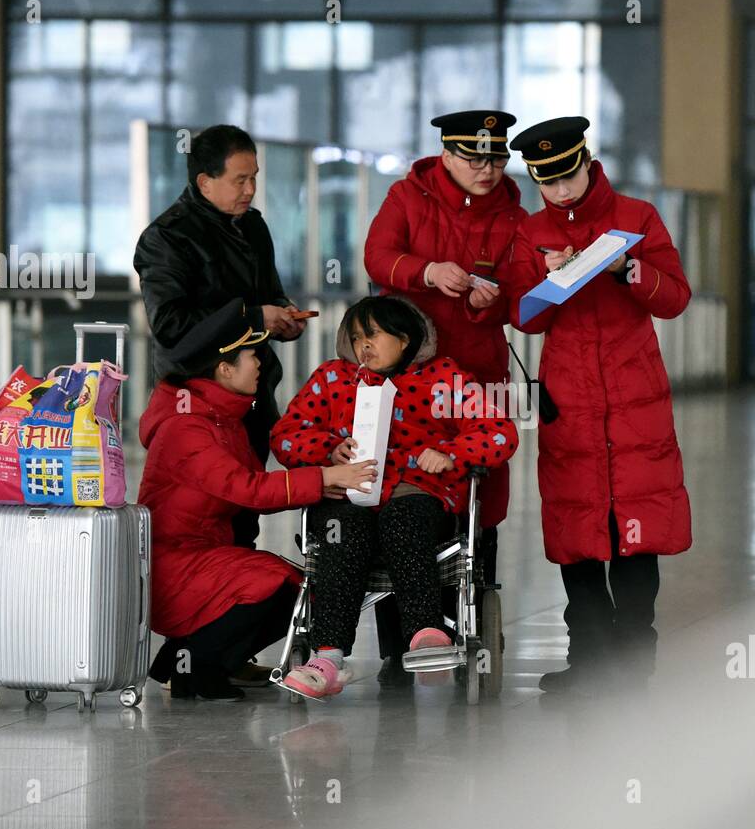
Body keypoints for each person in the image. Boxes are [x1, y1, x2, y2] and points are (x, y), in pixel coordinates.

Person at [498, 116, 693, 694]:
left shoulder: (636, 217)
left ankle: (634, 664)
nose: (560, 192)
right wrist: (550, 280)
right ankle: (588, 662)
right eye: (547, 183)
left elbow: (676, 298)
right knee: (577, 528)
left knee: (636, 531)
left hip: (636, 397)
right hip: (570, 399)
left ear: (588, 161)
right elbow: (522, 316)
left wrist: (626, 268)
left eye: (568, 177)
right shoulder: (531, 232)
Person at [269, 295, 519, 699]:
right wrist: (327, 449)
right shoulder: (333, 379)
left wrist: (451, 454)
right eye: (355, 338)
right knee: (338, 532)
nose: (362, 345)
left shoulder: (443, 379)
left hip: (417, 487)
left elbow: (499, 432)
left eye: (373, 335)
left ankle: (425, 635)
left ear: (404, 339)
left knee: (405, 519)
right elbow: (285, 435)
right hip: (350, 488)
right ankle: (327, 657)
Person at [138, 300, 376, 701]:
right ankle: (197, 667)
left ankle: (178, 662)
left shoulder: (220, 421)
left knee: (294, 585)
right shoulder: (188, 428)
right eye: (252, 355)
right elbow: (246, 487)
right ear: (224, 368)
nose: (260, 364)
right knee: (279, 589)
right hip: (174, 565)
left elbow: (256, 489)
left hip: (197, 559)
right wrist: (321, 478)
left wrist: (325, 482)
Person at [363, 110, 527, 683]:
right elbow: (377, 257)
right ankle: (399, 640)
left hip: (475, 377)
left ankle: (474, 615)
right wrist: (426, 270)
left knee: (477, 483)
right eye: (474, 158)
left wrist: (496, 303)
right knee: (396, 485)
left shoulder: (514, 213)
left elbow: (524, 290)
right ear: (447, 156)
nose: (487, 170)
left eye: (497, 159)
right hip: (405, 373)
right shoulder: (407, 197)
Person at [135, 124, 308, 548]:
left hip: (250, 394)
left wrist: (282, 315)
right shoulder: (166, 238)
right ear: (205, 182)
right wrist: (254, 317)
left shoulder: (252, 227)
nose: (250, 190)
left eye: (255, 178)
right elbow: (172, 327)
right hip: (196, 401)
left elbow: (268, 292)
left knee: (244, 519)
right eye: (240, 180)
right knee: (200, 512)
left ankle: (238, 589)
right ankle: (201, 601)